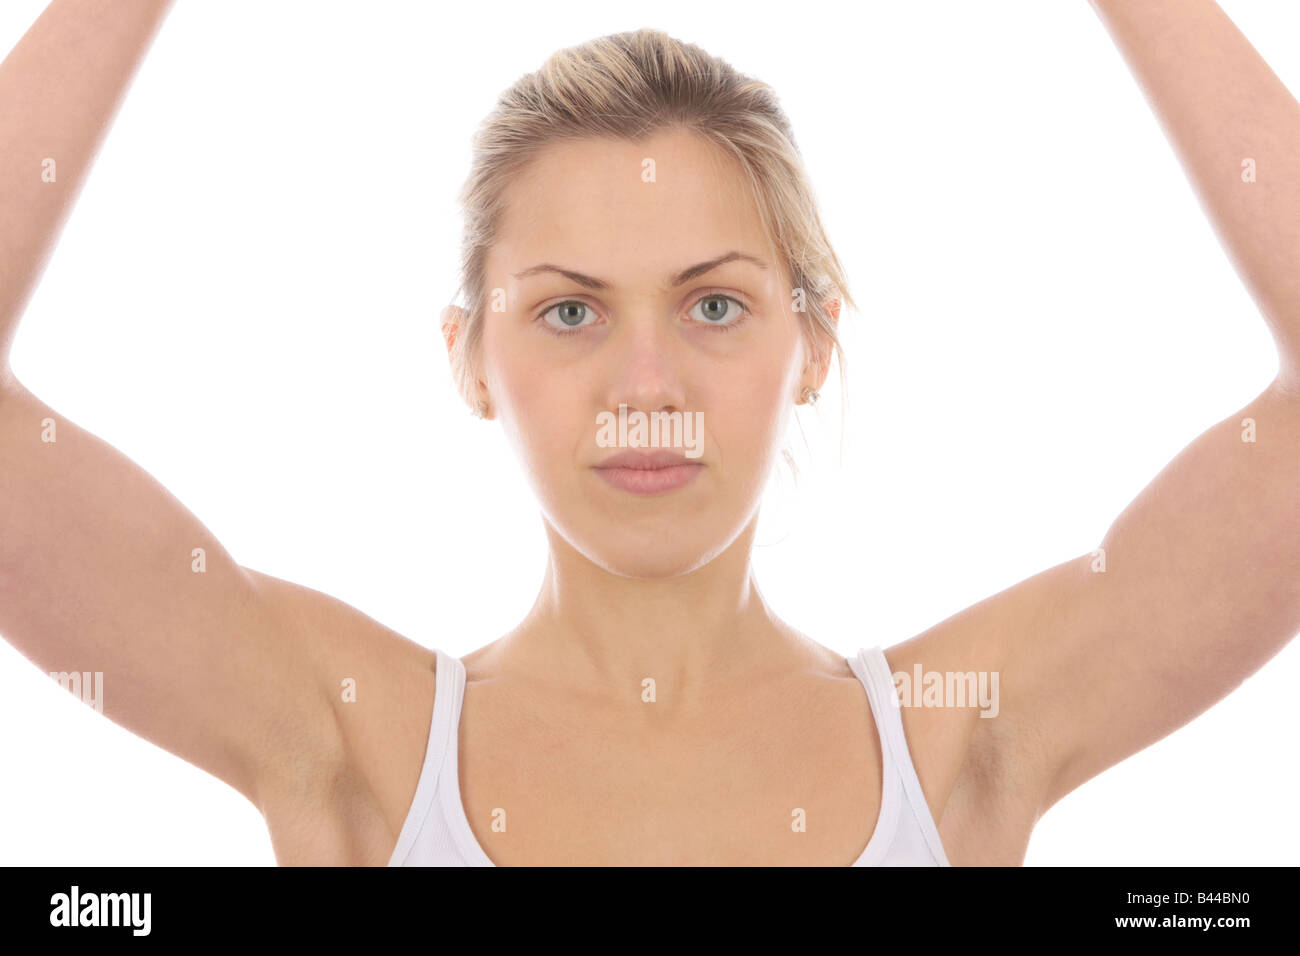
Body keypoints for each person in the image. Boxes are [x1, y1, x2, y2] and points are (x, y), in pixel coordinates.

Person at [2, 0, 1298, 866]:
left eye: (714, 304)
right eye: (569, 311)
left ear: (814, 345)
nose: (645, 383)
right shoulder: (348, 738)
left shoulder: (963, 740)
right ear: (470, 358)